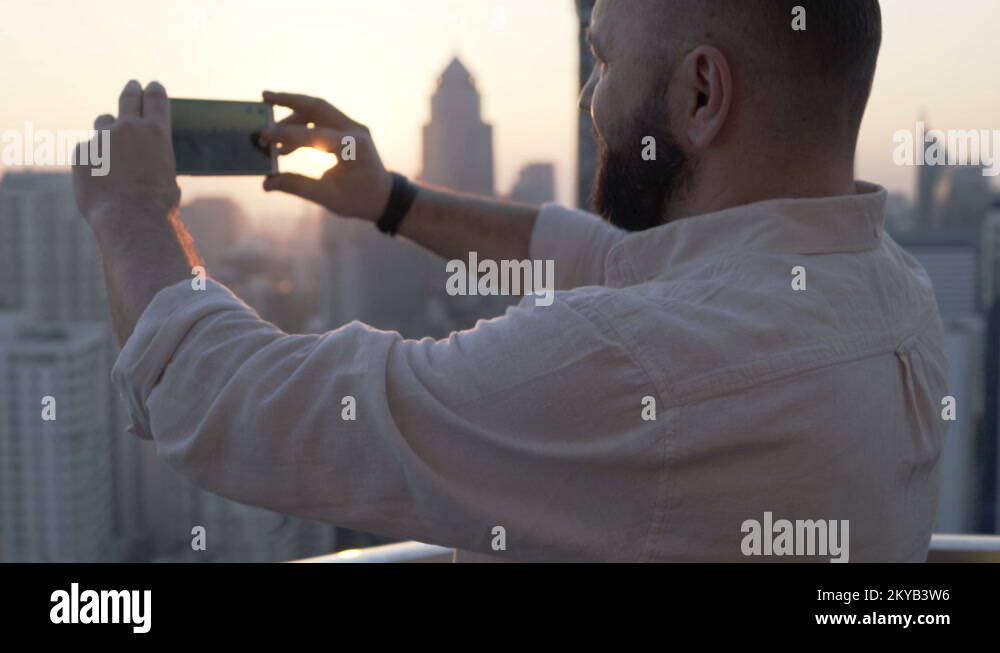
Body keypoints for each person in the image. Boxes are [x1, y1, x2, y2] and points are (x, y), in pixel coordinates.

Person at [72, 0, 948, 562]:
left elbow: (225, 403)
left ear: (702, 93)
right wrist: (391, 200)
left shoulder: (636, 367)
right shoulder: (891, 289)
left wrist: (132, 212)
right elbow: (601, 255)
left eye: (602, 62)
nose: (588, 101)